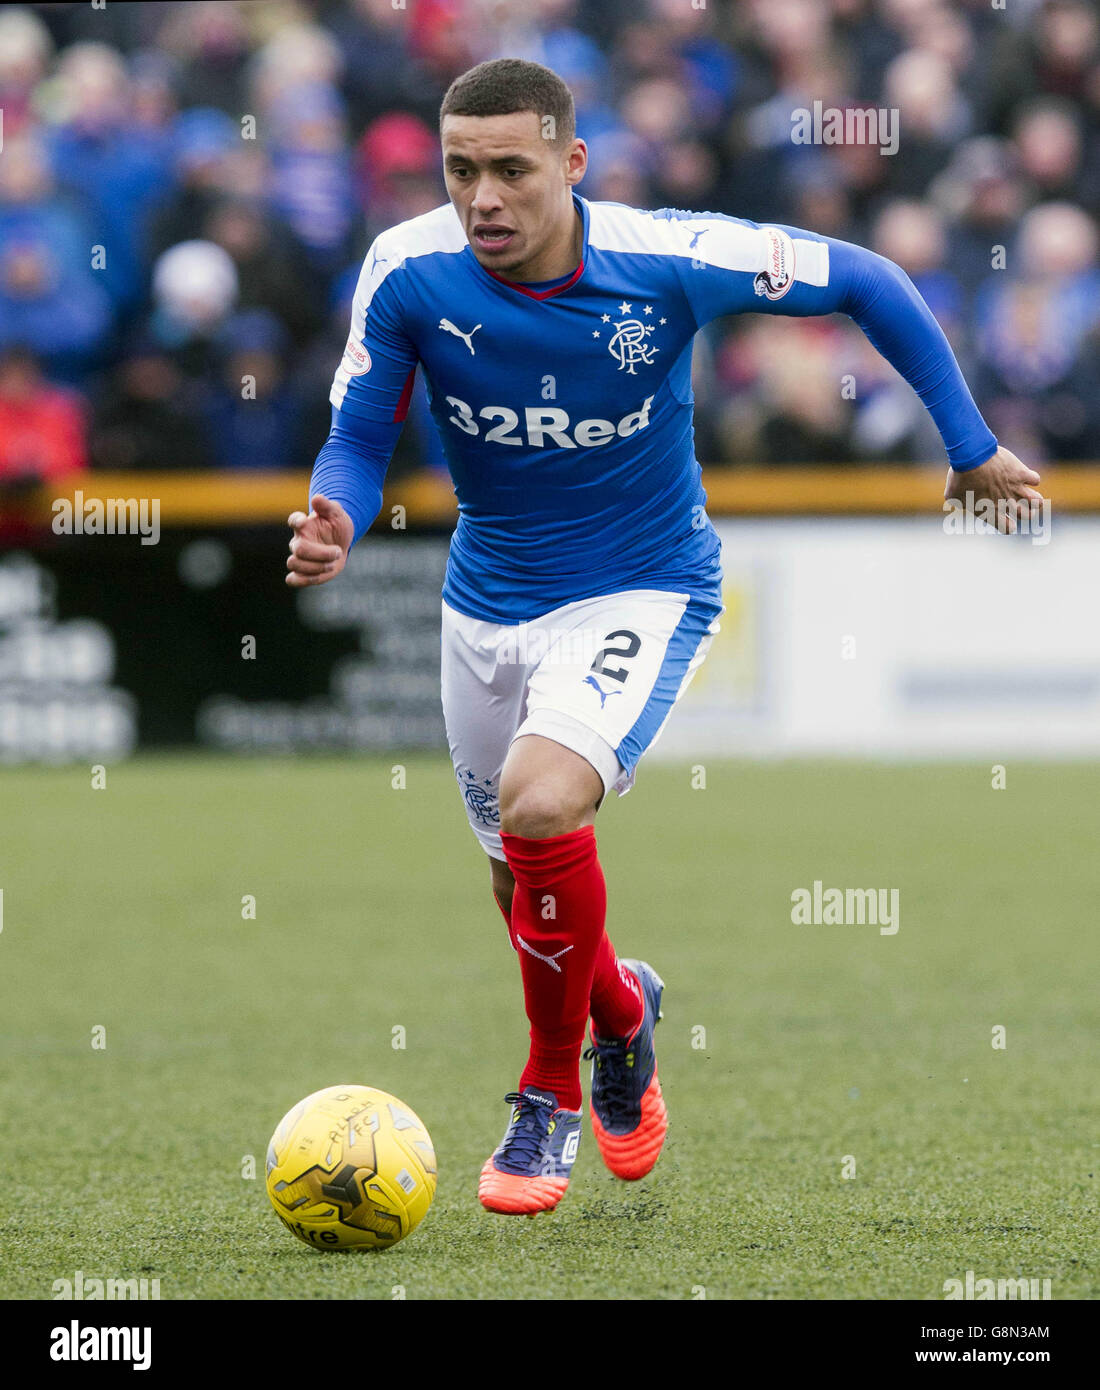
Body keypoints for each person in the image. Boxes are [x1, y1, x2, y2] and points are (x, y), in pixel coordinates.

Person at [286, 58, 1042, 1216]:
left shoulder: (669, 256)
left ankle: (546, 1096)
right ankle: (623, 1013)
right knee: (515, 883)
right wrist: (335, 506)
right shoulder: (405, 267)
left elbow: (872, 279)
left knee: (541, 808)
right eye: (459, 171)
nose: (481, 197)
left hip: (640, 585)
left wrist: (967, 445)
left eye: (509, 170)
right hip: (484, 601)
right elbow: (357, 426)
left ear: (571, 164)